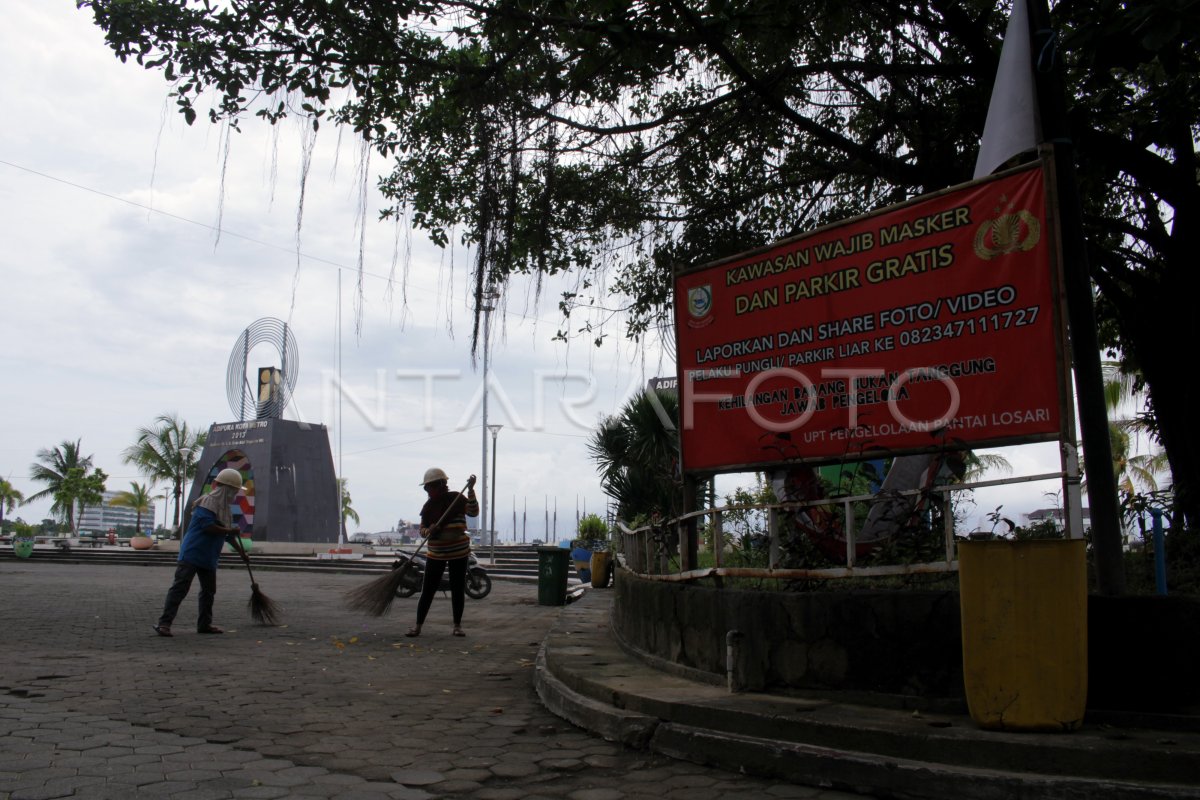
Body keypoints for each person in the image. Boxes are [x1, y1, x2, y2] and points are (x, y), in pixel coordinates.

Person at [153, 468, 244, 636]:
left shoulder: (225, 510)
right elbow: (208, 527)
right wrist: (230, 531)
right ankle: (164, 623)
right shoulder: (207, 502)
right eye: (234, 491)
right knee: (180, 588)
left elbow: (227, 536)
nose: (235, 494)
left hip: (209, 557)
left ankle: (204, 624)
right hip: (192, 554)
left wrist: (242, 553)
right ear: (227, 489)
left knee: (209, 592)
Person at [406, 468, 478, 638]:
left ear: (440, 485)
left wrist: (471, 490)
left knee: (458, 589)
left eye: (429, 487)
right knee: (428, 590)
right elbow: (422, 530)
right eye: (426, 489)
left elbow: (473, 512)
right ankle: (417, 626)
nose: (428, 492)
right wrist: (429, 530)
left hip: (459, 553)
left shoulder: (457, 499)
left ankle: (457, 626)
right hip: (436, 554)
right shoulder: (429, 507)